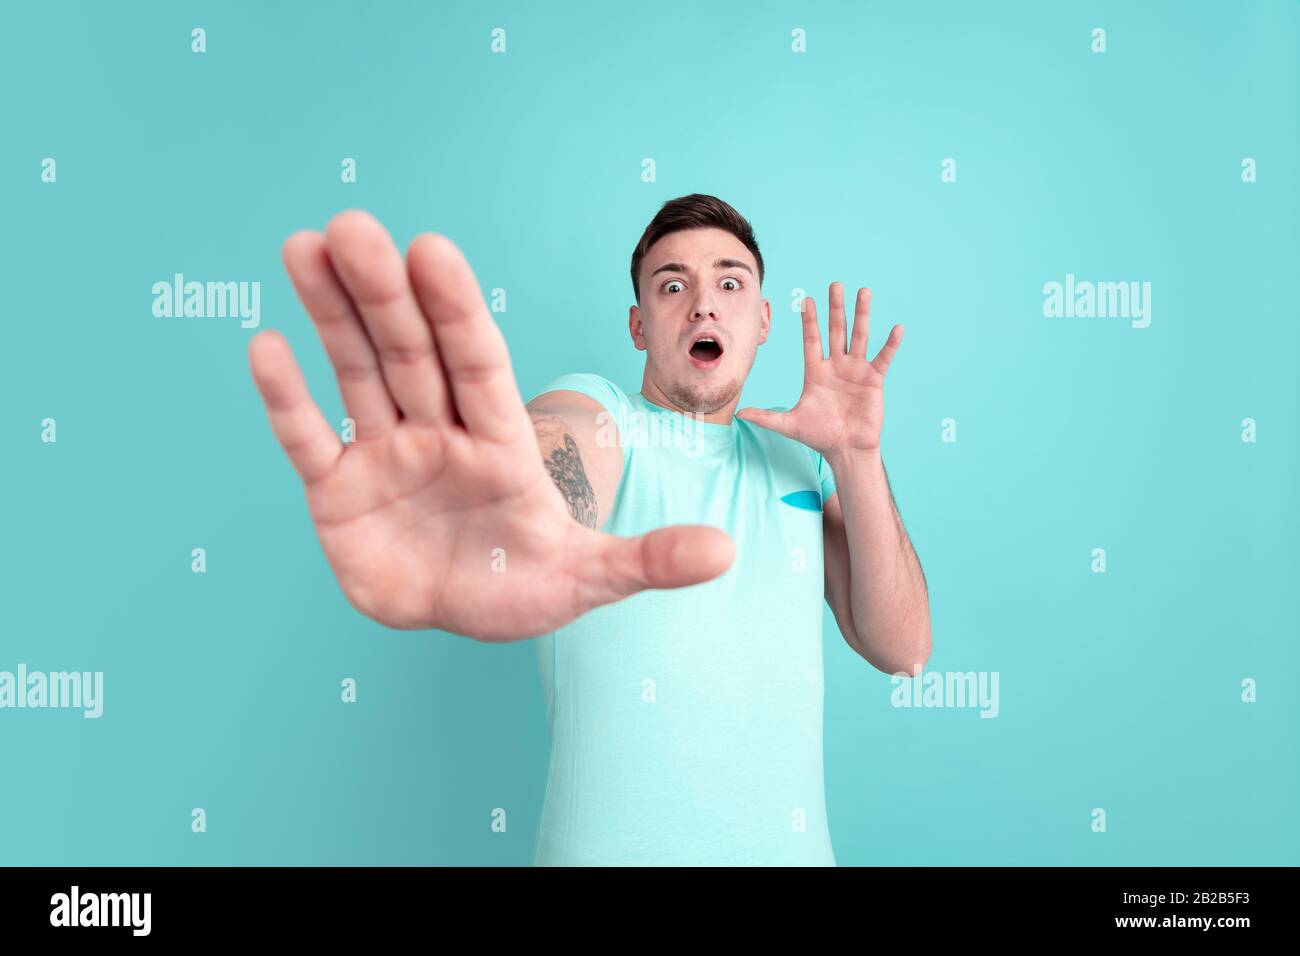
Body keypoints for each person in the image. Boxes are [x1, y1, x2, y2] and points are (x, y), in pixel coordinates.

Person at [248, 194, 932, 866]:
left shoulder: (798, 462)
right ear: (639, 325)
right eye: (673, 286)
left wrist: (856, 457)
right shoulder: (603, 412)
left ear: (761, 320)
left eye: (730, 282)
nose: (703, 303)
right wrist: (504, 514)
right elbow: (557, 450)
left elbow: (903, 647)